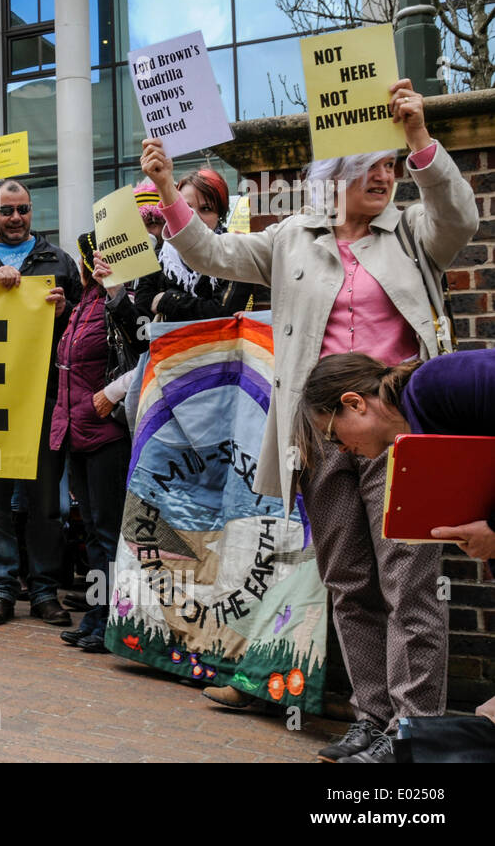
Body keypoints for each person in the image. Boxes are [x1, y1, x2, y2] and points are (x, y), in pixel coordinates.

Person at [141, 77, 478, 763]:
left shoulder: (414, 232)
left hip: (399, 434)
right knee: (350, 581)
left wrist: (419, 140)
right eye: (370, 167)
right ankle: (372, 717)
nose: (383, 175)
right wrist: (169, 190)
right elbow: (213, 254)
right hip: (319, 436)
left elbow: (463, 219)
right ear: (335, 178)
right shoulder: (294, 236)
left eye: (388, 166)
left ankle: (416, 731)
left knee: (409, 582)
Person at [0, 178, 82, 627]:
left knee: (45, 502)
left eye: (23, 210)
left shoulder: (58, 261)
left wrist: (66, 312)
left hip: (42, 400)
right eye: (7, 210)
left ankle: (45, 591)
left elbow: (83, 334)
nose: (15, 218)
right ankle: (1, 589)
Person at [303, 350, 495, 562]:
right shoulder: (422, 423)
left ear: (354, 403)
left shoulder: (435, 382)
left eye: (332, 435)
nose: (340, 449)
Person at [52, 233, 145, 651]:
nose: (94, 261)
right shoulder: (82, 303)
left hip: (108, 433)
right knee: (91, 532)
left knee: (108, 533)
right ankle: (95, 613)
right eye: (88, 255)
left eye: (103, 254)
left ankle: (112, 618)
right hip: (77, 431)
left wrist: (116, 291)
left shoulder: (121, 297)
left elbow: (143, 343)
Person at [131, 172, 256, 322]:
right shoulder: (158, 258)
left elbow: (224, 314)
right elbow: (140, 319)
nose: (194, 216)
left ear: (220, 215)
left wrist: (167, 300)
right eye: (186, 207)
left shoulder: (235, 252)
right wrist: (115, 292)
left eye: (206, 209)